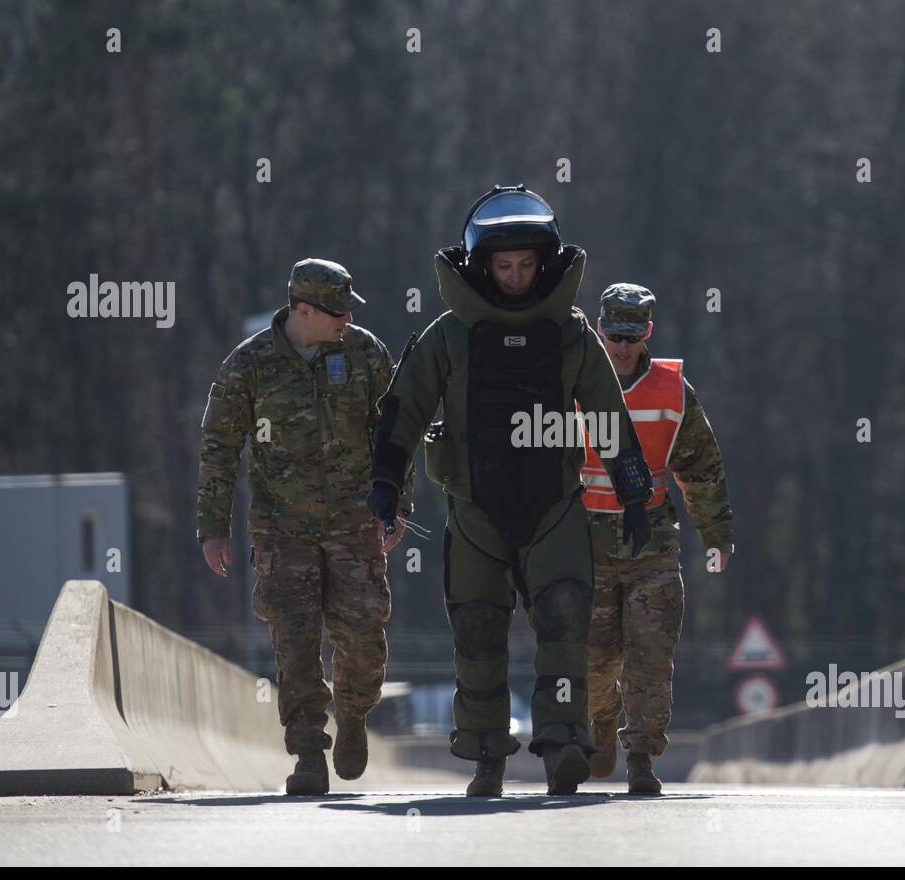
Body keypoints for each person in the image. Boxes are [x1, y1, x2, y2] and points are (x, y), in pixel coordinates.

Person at [366, 185, 653, 796]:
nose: (517, 277)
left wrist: (635, 494)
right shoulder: (448, 336)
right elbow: (402, 413)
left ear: (544, 263)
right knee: (476, 633)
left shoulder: (573, 335)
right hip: (473, 510)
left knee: (565, 623)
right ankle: (487, 756)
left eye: (526, 265)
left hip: (554, 505)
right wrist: (385, 486)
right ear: (482, 266)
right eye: (504, 266)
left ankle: (563, 745)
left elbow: (609, 419)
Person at [196, 258, 408, 796]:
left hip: (355, 524)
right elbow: (220, 448)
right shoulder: (249, 366)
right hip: (281, 530)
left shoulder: (365, 354)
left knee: (362, 638)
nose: (346, 319)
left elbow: (396, 435)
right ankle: (309, 752)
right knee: (294, 643)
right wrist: (213, 527)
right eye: (336, 312)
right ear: (302, 310)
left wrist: (397, 503)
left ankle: (354, 713)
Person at [582, 283, 734, 794]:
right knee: (594, 658)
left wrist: (717, 534)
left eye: (633, 335)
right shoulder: (571, 381)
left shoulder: (672, 391)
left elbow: (702, 467)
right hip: (585, 548)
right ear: (599, 329)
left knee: (650, 653)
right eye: (613, 335)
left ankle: (642, 756)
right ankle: (600, 721)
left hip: (652, 544)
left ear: (648, 332)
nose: (622, 347)